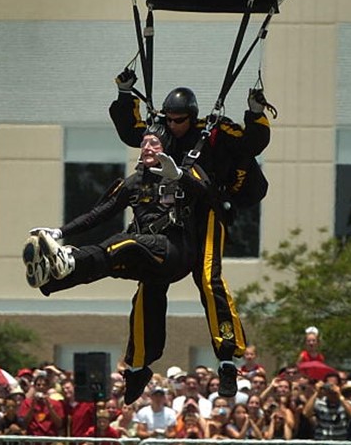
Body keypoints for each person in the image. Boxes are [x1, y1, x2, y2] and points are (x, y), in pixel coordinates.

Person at [23, 124, 214, 405]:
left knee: (123, 242)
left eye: (154, 143)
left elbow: (208, 196)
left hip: (173, 252)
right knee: (113, 269)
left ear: (167, 149)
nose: (147, 147)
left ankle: (70, 260)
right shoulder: (134, 183)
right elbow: (99, 213)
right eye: (144, 143)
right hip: (147, 259)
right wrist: (59, 232)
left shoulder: (183, 172)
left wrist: (181, 177)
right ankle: (51, 278)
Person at [111, 73, 272, 399]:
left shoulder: (213, 132)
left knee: (209, 277)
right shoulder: (160, 131)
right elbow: (131, 132)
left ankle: (227, 358)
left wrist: (255, 113)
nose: (173, 126)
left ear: (192, 117)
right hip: (166, 216)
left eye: (179, 120)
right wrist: (125, 93)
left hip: (205, 212)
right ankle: (139, 364)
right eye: (169, 120)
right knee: (150, 282)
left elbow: (251, 143)